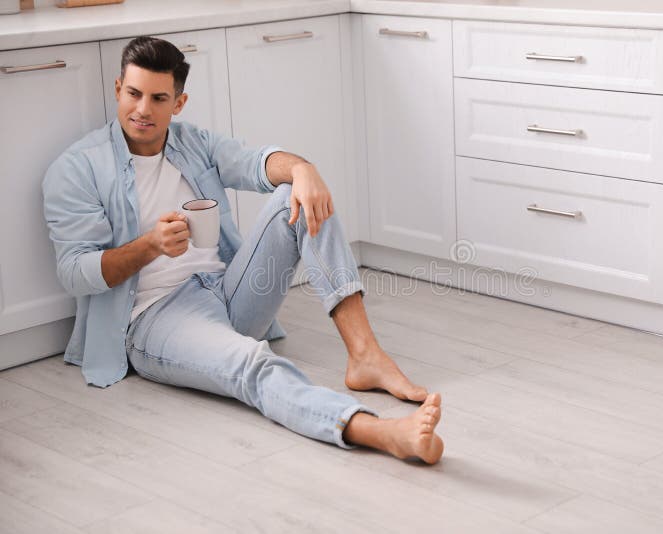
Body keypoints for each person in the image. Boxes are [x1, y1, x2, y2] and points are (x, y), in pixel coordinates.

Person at [42, 36, 444, 464]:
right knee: (253, 363)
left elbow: (255, 162)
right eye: (134, 94)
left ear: (178, 103)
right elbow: (73, 272)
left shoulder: (189, 142)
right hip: (153, 317)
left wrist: (305, 169)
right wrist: (149, 247)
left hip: (225, 289)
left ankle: (365, 355)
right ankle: (377, 431)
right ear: (118, 87)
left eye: (158, 98)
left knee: (300, 193)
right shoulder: (77, 168)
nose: (142, 110)